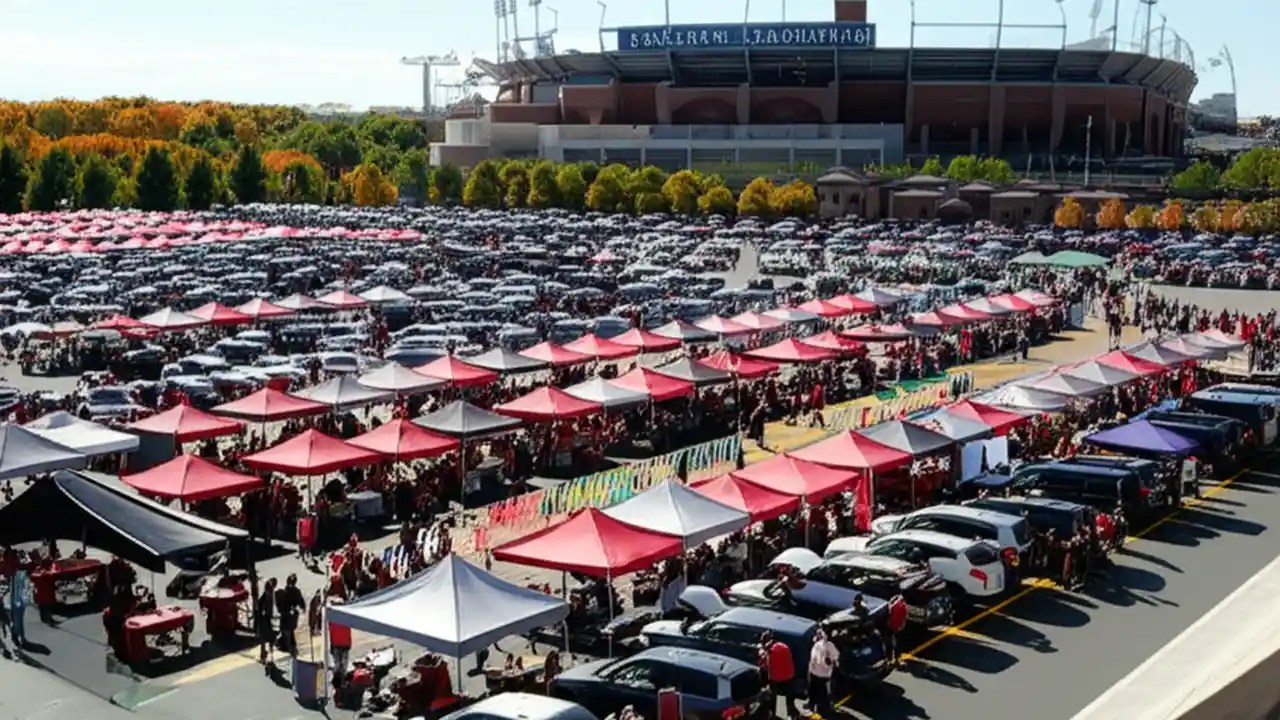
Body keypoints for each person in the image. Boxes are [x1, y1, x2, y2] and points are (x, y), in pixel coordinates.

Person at [757, 630, 798, 719]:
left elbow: (763, 665)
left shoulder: (768, 652)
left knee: (772, 698)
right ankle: (793, 714)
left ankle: (772, 714)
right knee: (789, 697)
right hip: (789, 676)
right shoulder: (784, 647)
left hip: (775, 678)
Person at [807, 628, 839, 716]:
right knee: (816, 690)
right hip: (818, 673)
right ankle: (814, 706)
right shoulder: (821, 645)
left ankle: (820, 707)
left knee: (820, 691)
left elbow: (834, 658)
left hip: (820, 674)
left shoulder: (827, 646)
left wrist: (829, 661)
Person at [276, 574, 305, 657]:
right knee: (290, 632)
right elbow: (301, 602)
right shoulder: (296, 591)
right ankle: (291, 648)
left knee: (287, 633)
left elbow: (281, 604)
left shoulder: (286, 591)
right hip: (292, 616)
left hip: (287, 617)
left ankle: (290, 650)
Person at [257, 577, 278, 670]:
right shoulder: (269, 594)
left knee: (264, 638)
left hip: (264, 619)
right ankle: (267, 655)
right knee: (269, 638)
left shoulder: (267, 595)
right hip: (266, 619)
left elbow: (263, 607)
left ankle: (264, 656)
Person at [886, 594, 909, 665]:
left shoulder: (892, 605)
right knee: (898, 644)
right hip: (898, 627)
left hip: (891, 626)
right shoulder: (904, 606)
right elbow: (905, 618)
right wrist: (902, 627)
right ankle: (896, 660)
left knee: (890, 643)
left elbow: (889, 613)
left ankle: (889, 660)